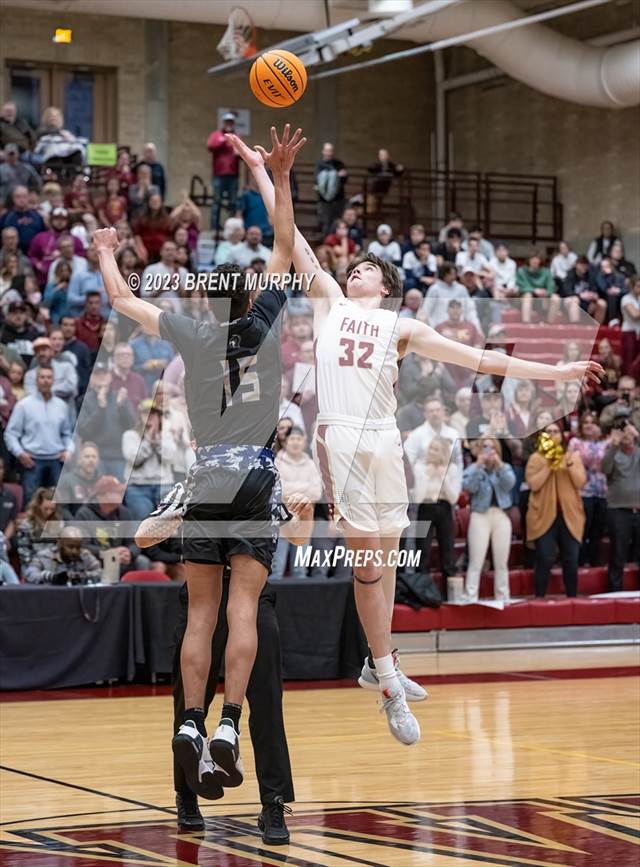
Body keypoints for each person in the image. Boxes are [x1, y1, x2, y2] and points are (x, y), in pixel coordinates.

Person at [228, 124, 602, 746]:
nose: (357, 272)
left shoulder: (403, 328)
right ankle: (389, 680)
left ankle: (383, 664)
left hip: (384, 441)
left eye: (369, 269)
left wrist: (558, 370)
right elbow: (286, 231)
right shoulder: (327, 298)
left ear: (388, 288)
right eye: (357, 267)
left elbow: (484, 361)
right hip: (342, 437)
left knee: (386, 566)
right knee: (369, 567)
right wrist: (270, 171)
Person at [94, 124, 306, 794]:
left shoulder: (192, 333)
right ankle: (227, 726)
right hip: (257, 477)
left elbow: (123, 300)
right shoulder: (263, 325)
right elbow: (285, 245)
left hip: (206, 472)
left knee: (200, 613)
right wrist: (274, 171)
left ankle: (190, 722)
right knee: (245, 610)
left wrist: (105, 250)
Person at [134, 490, 313, 841]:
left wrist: (304, 514)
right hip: (205, 600)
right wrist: (180, 512)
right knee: (189, 704)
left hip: (252, 597)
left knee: (267, 703)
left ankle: (273, 804)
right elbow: (143, 535)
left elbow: (299, 537)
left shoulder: (263, 483)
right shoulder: (191, 486)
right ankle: (186, 796)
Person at [525, 422, 586, 598]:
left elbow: (580, 482)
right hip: (543, 516)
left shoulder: (572, 456)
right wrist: (549, 465)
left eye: (555, 431)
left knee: (571, 559)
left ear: (561, 436)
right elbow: (534, 485)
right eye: (548, 432)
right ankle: (539, 598)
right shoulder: (536, 459)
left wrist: (568, 463)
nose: (552, 434)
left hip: (569, 515)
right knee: (544, 558)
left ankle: (572, 598)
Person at [5, 365, 73, 504]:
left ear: (54, 381)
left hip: (56, 460)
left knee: (58, 503)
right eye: (42, 377)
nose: (46, 381)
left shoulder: (62, 406)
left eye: (49, 377)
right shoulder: (24, 405)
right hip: (31, 462)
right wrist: (19, 453)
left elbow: (67, 433)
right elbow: (11, 434)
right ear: (36, 380)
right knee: (31, 503)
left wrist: (69, 450)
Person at [461, 438, 516, 604]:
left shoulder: (504, 467)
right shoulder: (474, 468)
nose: (488, 451)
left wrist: (498, 465)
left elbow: (509, 484)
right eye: (485, 447)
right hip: (480, 514)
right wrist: (478, 465)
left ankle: (503, 596)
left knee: (501, 561)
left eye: (492, 448)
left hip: (501, 515)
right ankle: (470, 597)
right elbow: (468, 487)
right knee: (476, 560)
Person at [272, 427, 322, 579]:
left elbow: (316, 492)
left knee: (300, 570)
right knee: (277, 568)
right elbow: (278, 489)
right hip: (281, 520)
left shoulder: (310, 464)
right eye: (292, 439)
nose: (295, 442)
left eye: (298, 439)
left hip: (305, 520)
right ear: (285, 442)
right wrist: (303, 488)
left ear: (304, 441)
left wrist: (292, 489)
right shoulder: (277, 461)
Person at [410, 436, 461, 586]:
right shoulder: (419, 467)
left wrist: (443, 478)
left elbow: (453, 498)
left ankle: (449, 592)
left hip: (444, 508)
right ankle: (422, 590)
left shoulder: (452, 469)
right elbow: (418, 497)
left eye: (436, 449)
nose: (432, 452)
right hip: (424, 508)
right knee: (422, 551)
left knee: (447, 550)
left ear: (444, 452)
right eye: (430, 448)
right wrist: (427, 476)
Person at [75, 475, 147, 576]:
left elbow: (135, 542)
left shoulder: (124, 512)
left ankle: (138, 592)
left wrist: (129, 553)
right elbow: (83, 546)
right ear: (101, 495)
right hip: (98, 560)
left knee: (142, 562)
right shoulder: (84, 514)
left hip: (121, 559)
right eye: (116, 492)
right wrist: (110, 553)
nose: (121, 495)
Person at [76, 363, 136, 479]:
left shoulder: (120, 397)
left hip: (118, 456)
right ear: (92, 378)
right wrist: (101, 408)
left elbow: (131, 425)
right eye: (97, 374)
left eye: (104, 373)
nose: (101, 377)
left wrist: (121, 406)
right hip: (95, 458)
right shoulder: (84, 400)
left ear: (110, 377)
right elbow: (83, 431)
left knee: (119, 492)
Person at [602, 420, 640, 592]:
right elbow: (605, 469)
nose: (628, 436)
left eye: (631, 432)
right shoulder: (613, 452)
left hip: (638, 510)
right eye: (624, 433)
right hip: (618, 510)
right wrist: (613, 445)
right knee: (618, 552)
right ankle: (615, 591)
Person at [122, 400, 176, 520]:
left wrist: (156, 441)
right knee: (143, 521)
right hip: (137, 488)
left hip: (164, 486)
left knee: (167, 524)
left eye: (154, 414)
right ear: (139, 416)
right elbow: (134, 459)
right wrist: (147, 441)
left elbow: (170, 457)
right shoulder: (130, 435)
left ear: (159, 417)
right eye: (146, 414)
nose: (150, 417)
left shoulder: (166, 436)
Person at [567, 412, 608, 567]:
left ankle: (594, 561)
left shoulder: (605, 443)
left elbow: (605, 465)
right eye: (586, 422)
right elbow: (591, 461)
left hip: (602, 492)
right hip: (583, 492)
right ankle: (580, 561)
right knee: (583, 530)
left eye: (592, 422)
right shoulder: (575, 442)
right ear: (581, 426)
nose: (589, 425)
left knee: (597, 531)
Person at [24, 525, 101, 585]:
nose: (74, 551)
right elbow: (30, 574)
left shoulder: (85, 555)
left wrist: (82, 575)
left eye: (78, 547)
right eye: (70, 547)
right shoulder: (44, 556)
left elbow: (100, 572)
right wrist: (52, 577)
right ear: (60, 543)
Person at [28, 207, 85, 288]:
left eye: (63, 219)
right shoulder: (40, 237)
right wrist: (38, 264)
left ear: (67, 221)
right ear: (51, 220)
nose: (60, 222)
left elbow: (81, 255)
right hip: (44, 280)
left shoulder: (75, 240)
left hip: (70, 280)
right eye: (56, 219)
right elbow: (32, 255)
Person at [16, 486, 64, 571]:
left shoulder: (59, 524)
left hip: (54, 564)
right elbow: (24, 553)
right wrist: (39, 564)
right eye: (45, 509)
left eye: (52, 509)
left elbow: (59, 549)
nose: (49, 512)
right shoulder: (26, 525)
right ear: (38, 505)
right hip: (32, 566)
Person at [207, 112, 241, 230]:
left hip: (233, 174)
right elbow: (210, 146)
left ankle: (231, 227)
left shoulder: (236, 136)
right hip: (219, 174)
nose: (229, 124)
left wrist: (239, 153)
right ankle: (214, 225)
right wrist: (224, 141)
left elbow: (242, 153)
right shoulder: (216, 135)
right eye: (227, 122)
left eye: (231, 122)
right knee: (217, 201)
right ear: (224, 123)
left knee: (233, 202)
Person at [55, 441, 101, 513]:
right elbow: (63, 509)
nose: (91, 460)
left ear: (98, 460)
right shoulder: (67, 480)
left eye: (94, 457)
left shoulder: (104, 481)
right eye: (87, 456)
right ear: (79, 460)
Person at [516, 250, 560, 324]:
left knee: (556, 298)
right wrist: (534, 290)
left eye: (537, 260)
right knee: (528, 295)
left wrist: (546, 293)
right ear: (529, 261)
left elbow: (551, 286)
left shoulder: (546, 272)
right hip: (526, 297)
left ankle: (550, 323)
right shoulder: (521, 271)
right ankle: (526, 323)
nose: (535, 262)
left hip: (543, 298)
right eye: (533, 260)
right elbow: (521, 286)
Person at [562, 255, 607, 324]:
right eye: (581, 265)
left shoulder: (590, 275)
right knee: (575, 299)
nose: (584, 267)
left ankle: (596, 330)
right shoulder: (570, 274)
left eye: (585, 265)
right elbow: (567, 291)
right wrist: (580, 295)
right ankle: (575, 327)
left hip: (587, 303)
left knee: (602, 303)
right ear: (577, 265)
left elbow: (594, 290)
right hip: (571, 302)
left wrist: (593, 301)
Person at [315, 142, 347, 236]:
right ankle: (325, 244)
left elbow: (345, 178)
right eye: (327, 150)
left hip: (338, 199)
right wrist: (336, 174)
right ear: (323, 151)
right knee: (326, 222)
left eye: (330, 151)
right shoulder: (319, 164)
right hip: (324, 201)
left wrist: (340, 175)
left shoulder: (338, 163)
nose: (329, 153)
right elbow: (316, 179)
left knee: (337, 222)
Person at [0, 185, 45, 253]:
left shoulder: (37, 216)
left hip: (34, 254)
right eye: (18, 197)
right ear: (13, 198)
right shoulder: (6, 217)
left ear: (28, 198)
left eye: (24, 196)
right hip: (13, 256)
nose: (21, 199)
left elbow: (43, 235)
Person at [621, 275, 640, 374]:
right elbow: (635, 314)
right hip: (629, 332)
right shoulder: (626, 298)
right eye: (638, 286)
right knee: (629, 360)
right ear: (632, 287)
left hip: (638, 332)